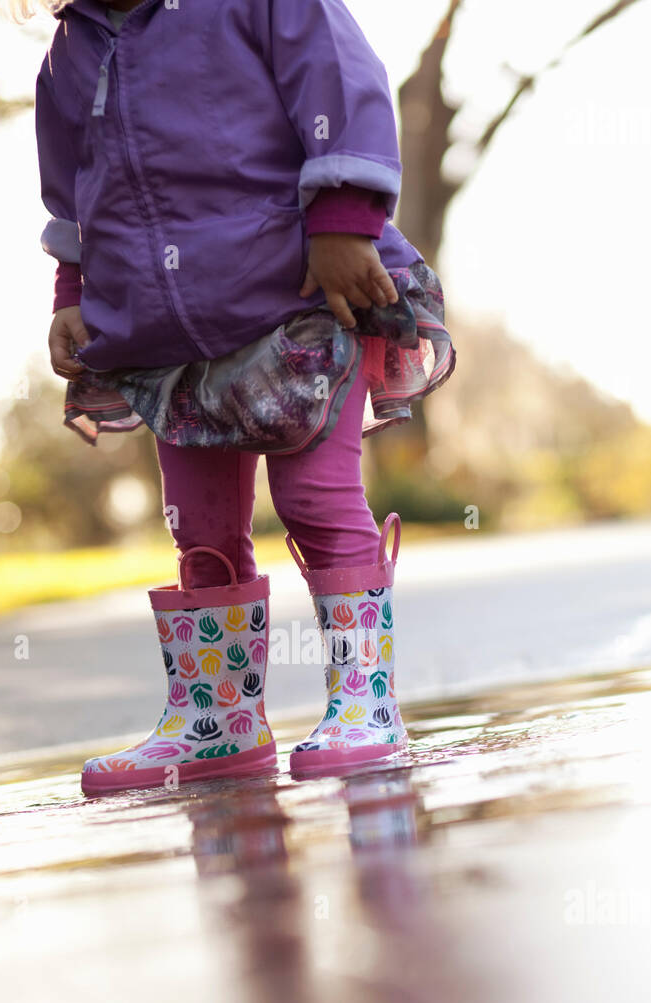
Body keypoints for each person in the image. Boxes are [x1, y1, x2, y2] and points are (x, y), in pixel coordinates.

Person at [27, 0, 455, 791]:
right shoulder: (69, 52)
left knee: (317, 502)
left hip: (305, 299)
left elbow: (342, 90)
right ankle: (216, 720)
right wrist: (72, 289)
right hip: (166, 337)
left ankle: (364, 701)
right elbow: (73, 190)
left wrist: (342, 223)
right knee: (201, 532)